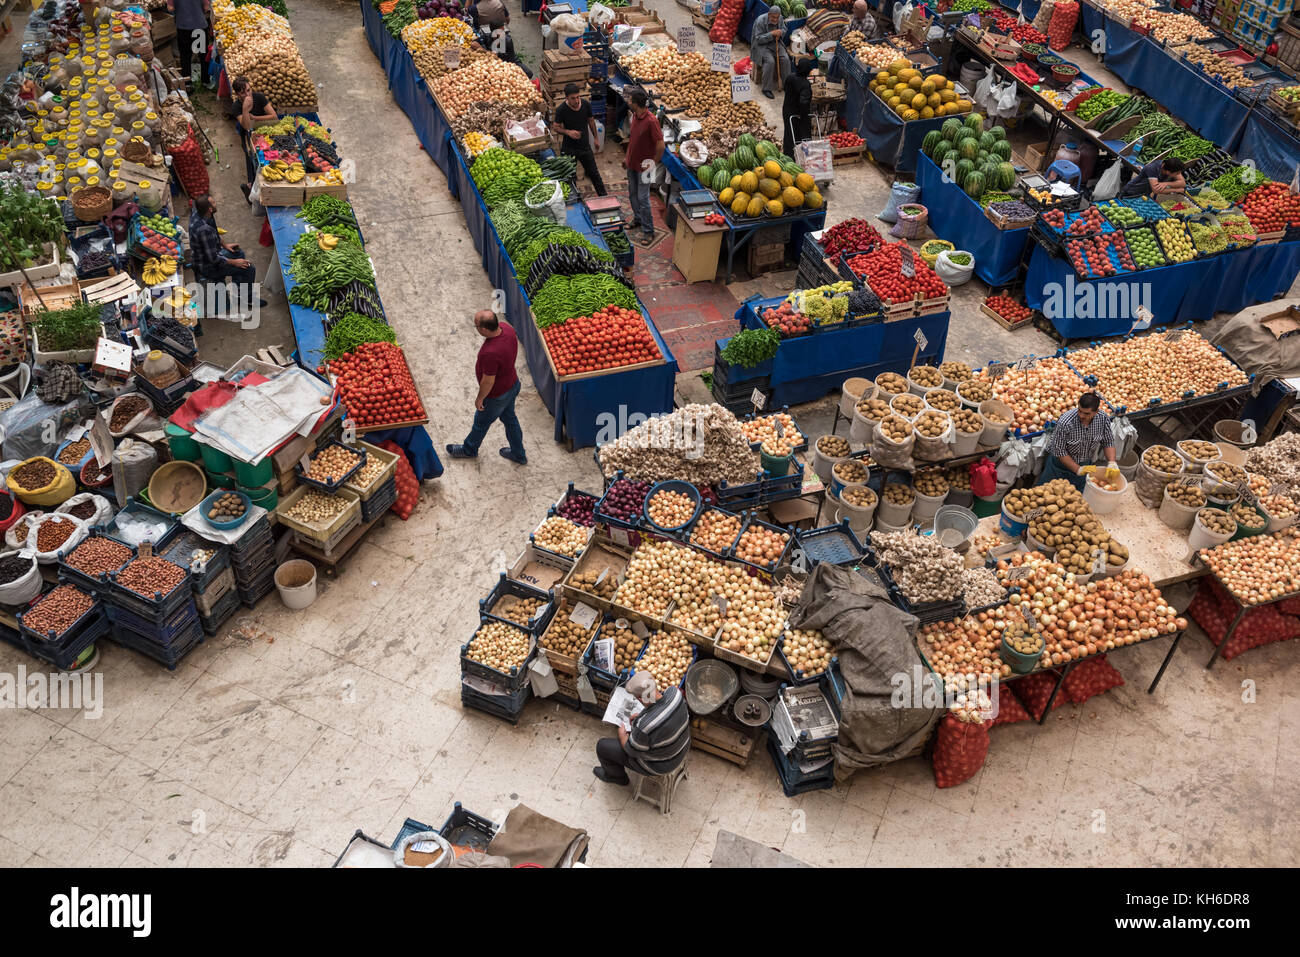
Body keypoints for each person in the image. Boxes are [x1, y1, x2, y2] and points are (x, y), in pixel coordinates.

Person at [446, 310, 527, 464]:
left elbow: (488, 381)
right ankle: (518, 454)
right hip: (512, 384)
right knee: (510, 419)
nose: (476, 328)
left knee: (480, 423)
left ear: (483, 329)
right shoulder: (507, 329)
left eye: (476, 326)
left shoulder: (490, 353)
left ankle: (469, 449)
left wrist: (480, 398)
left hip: (497, 395)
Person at [594, 673, 690, 785]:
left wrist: (622, 735)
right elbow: (661, 710)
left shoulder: (644, 726)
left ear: (640, 699)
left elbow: (631, 751)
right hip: (683, 747)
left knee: (602, 746)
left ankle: (618, 778)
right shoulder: (675, 693)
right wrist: (642, 716)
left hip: (661, 765)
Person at [188, 194, 266, 313]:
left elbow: (214, 232)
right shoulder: (203, 230)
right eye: (213, 203)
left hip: (207, 255)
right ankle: (247, 299)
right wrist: (234, 263)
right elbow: (213, 259)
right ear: (209, 209)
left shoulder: (199, 213)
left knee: (237, 252)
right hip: (207, 266)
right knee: (249, 268)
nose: (216, 204)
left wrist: (225, 245)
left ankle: (238, 291)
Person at [1036, 392, 1118, 492]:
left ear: (1096, 412)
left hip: (1084, 463)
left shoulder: (1103, 418)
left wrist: (1112, 462)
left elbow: (1108, 441)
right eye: (1079, 411)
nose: (1081, 415)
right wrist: (1077, 469)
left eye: (1086, 413)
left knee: (1075, 496)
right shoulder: (1066, 422)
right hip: (1060, 466)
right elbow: (1059, 451)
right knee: (1046, 492)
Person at [624, 88, 663, 245]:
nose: (628, 102)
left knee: (643, 198)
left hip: (646, 166)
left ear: (636, 104)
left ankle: (648, 231)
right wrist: (627, 158)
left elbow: (660, 146)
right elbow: (633, 140)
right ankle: (638, 219)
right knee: (633, 194)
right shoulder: (635, 116)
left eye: (630, 100)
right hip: (632, 164)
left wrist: (653, 163)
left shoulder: (652, 121)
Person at [554, 82, 606, 196]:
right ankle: (575, 199)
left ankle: (604, 197)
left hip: (584, 146)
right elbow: (556, 127)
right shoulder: (561, 110)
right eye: (573, 98)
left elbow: (591, 120)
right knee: (570, 177)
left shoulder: (586, 105)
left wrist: (596, 138)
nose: (576, 100)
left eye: (578, 97)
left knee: (594, 173)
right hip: (569, 148)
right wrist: (568, 132)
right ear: (566, 98)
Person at [232, 76, 277, 194]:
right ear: (237, 94)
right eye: (242, 93)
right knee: (251, 160)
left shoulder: (259, 97)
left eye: (248, 90)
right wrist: (245, 109)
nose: (247, 94)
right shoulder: (236, 107)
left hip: (265, 133)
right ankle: (251, 187)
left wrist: (255, 118)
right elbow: (247, 126)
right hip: (248, 137)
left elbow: (274, 116)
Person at [750, 6, 790, 100]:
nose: (775, 19)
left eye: (777, 17)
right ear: (769, 15)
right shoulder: (760, 21)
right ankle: (766, 89)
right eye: (773, 17)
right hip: (762, 46)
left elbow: (784, 29)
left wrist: (781, 32)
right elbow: (758, 39)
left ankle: (787, 85)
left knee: (785, 58)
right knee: (770, 62)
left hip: (775, 43)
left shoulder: (780, 19)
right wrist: (771, 34)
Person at [168, 0, 210, 87]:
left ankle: (187, 83)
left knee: (185, 56)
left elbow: (170, 8)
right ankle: (205, 81)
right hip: (199, 26)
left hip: (183, 28)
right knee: (203, 55)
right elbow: (206, 7)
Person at [782, 58, 816, 157]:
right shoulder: (805, 84)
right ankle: (804, 156)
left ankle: (788, 155)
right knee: (803, 134)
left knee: (789, 133)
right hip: (798, 113)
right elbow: (804, 103)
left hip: (787, 109)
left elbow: (786, 89)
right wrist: (802, 115)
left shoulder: (790, 77)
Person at [1121, 156, 1186, 197]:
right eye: (1177, 173)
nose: (1179, 174)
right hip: (1130, 192)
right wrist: (1177, 190)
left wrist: (1166, 183)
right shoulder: (1152, 168)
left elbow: (1183, 183)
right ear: (1168, 172)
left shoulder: (1171, 167)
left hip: (1143, 195)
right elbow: (1156, 190)